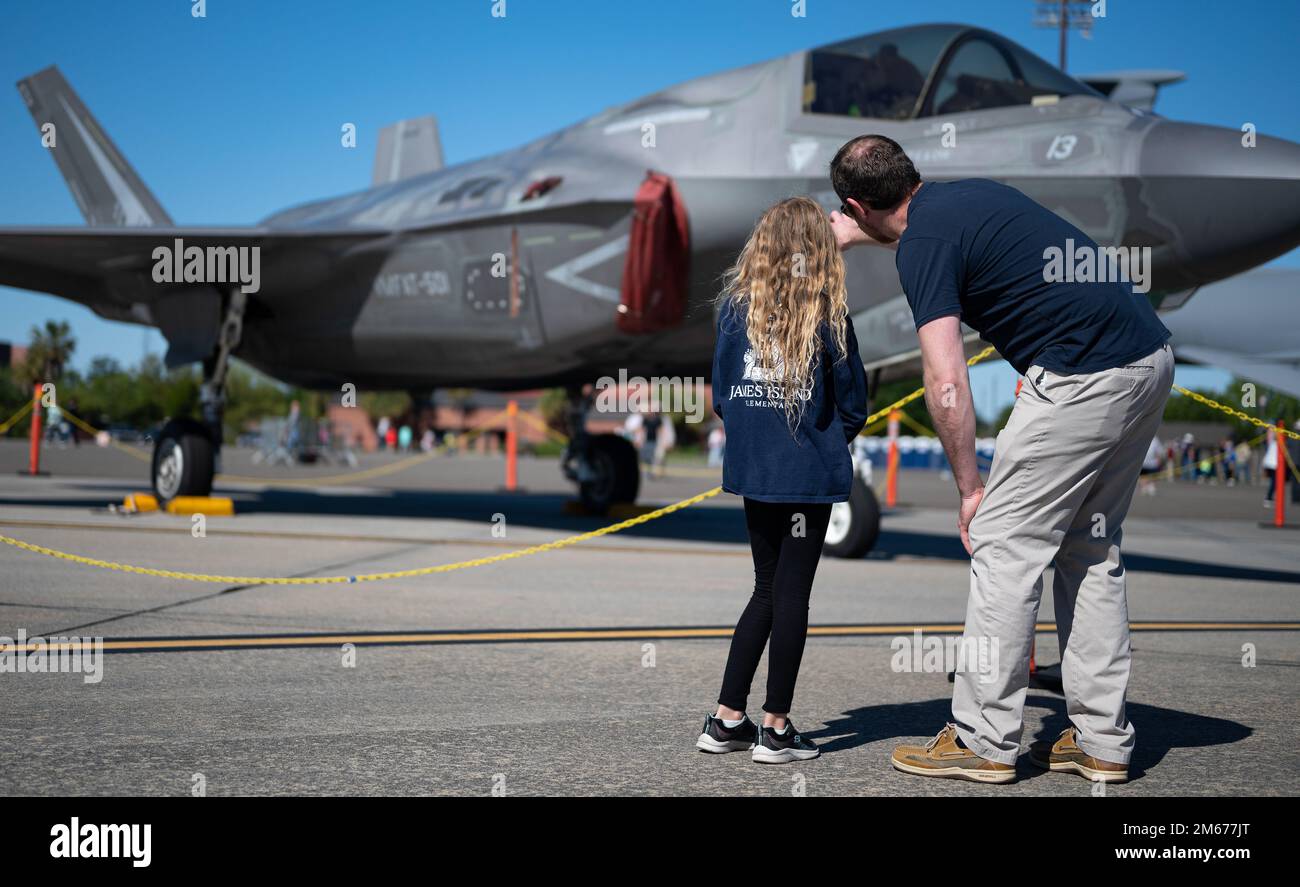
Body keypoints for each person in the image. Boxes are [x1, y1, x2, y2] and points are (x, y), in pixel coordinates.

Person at [829, 135, 1172, 784]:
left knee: (1003, 545)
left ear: (854, 203)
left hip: (1081, 372)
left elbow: (948, 380)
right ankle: (1102, 739)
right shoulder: (969, 197)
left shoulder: (923, 246)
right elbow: (923, 233)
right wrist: (864, 235)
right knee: (1089, 545)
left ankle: (984, 737)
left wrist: (968, 487)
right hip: (1148, 356)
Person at [697, 196, 868, 764]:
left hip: (756, 472)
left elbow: (722, 396)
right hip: (805, 475)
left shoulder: (734, 309)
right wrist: (821, 442)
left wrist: (760, 437)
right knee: (792, 594)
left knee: (765, 589)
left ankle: (726, 720)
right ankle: (775, 728)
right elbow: (853, 404)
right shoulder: (827, 313)